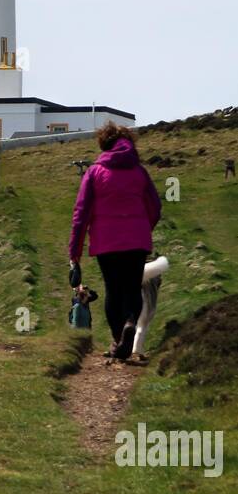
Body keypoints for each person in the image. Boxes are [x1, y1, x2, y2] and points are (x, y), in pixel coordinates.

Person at [68, 122, 161, 360]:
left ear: (104, 145)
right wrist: (142, 229)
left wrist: (74, 252)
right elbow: (155, 207)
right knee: (131, 288)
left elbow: (81, 214)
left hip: (106, 242)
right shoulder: (140, 172)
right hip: (136, 241)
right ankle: (131, 322)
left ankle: (119, 339)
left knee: (113, 289)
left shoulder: (95, 172)